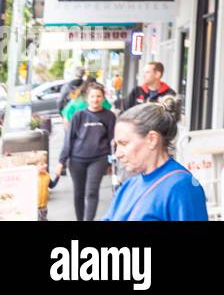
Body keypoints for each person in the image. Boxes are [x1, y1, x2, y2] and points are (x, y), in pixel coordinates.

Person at [103, 99, 208, 221]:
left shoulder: (182, 188)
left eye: (124, 143)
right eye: (117, 145)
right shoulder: (129, 185)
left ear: (152, 139)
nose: (118, 154)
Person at [54, 81, 116, 221]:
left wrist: (112, 163)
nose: (95, 99)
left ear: (103, 98)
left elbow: (113, 141)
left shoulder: (109, 116)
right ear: (87, 98)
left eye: (99, 96)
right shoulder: (78, 116)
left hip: (99, 159)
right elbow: (68, 140)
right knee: (79, 193)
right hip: (77, 160)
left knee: (92, 192)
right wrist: (61, 162)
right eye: (93, 96)